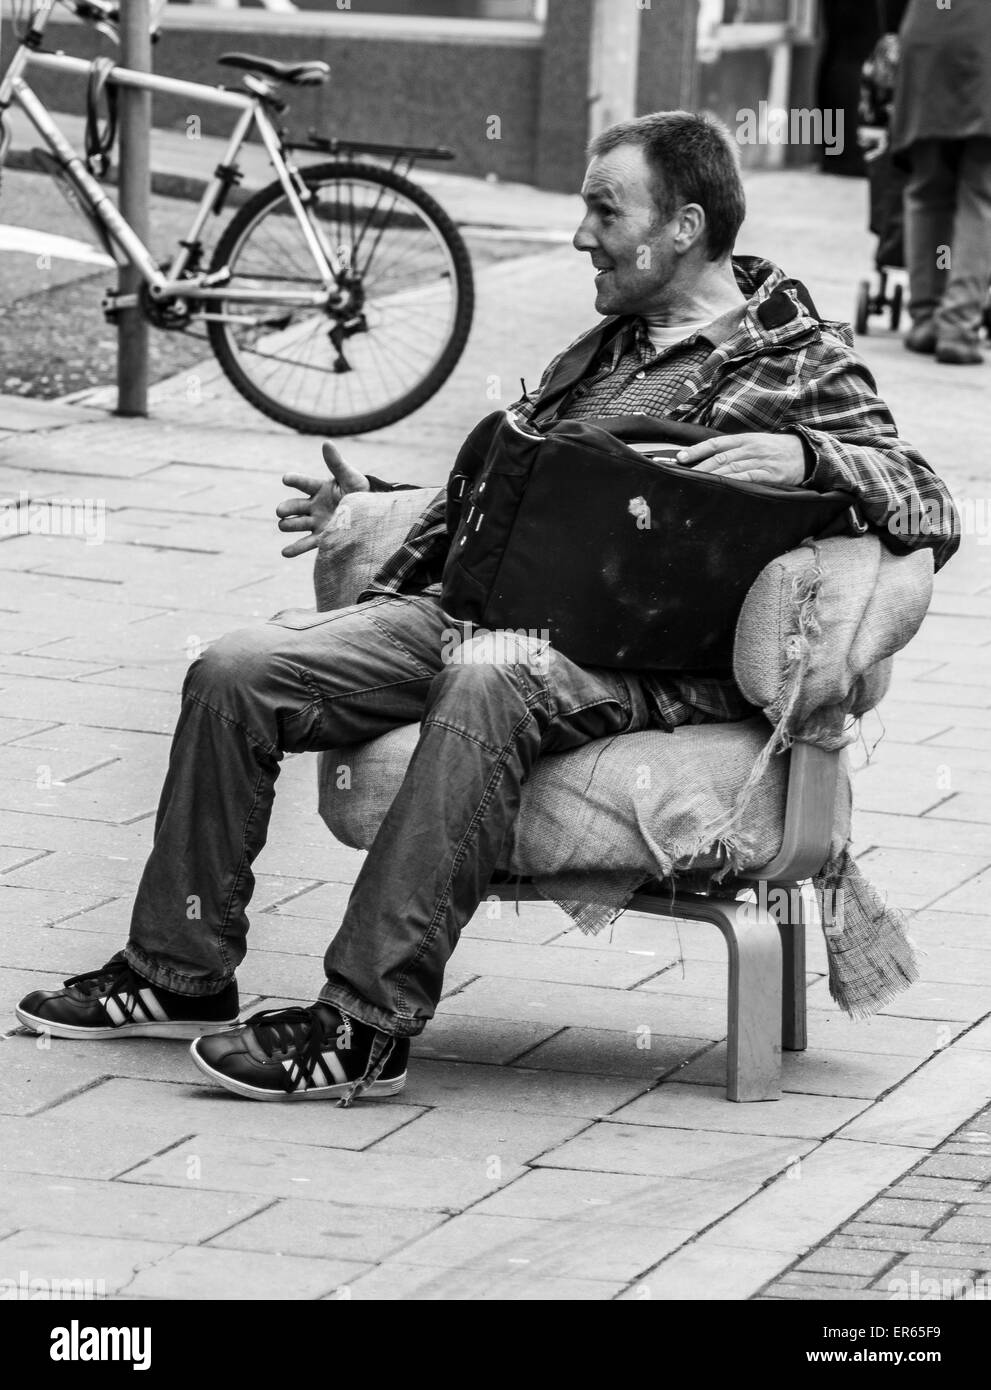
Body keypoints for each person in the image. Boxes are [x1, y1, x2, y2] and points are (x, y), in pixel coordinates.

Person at [15, 111, 959, 1105]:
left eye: (604, 209)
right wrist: (374, 504)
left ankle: (363, 1024)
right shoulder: (609, 348)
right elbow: (535, 491)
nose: (580, 234)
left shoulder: (795, 358)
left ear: (683, 226)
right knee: (236, 669)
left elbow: (929, 499)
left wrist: (808, 456)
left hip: (629, 656)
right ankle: (179, 969)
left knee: (488, 670)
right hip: (485, 604)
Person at [885, 0, 991, 363]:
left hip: (926, 39)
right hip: (983, 43)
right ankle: (959, 327)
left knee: (927, 190)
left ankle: (926, 319)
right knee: (980, 195)